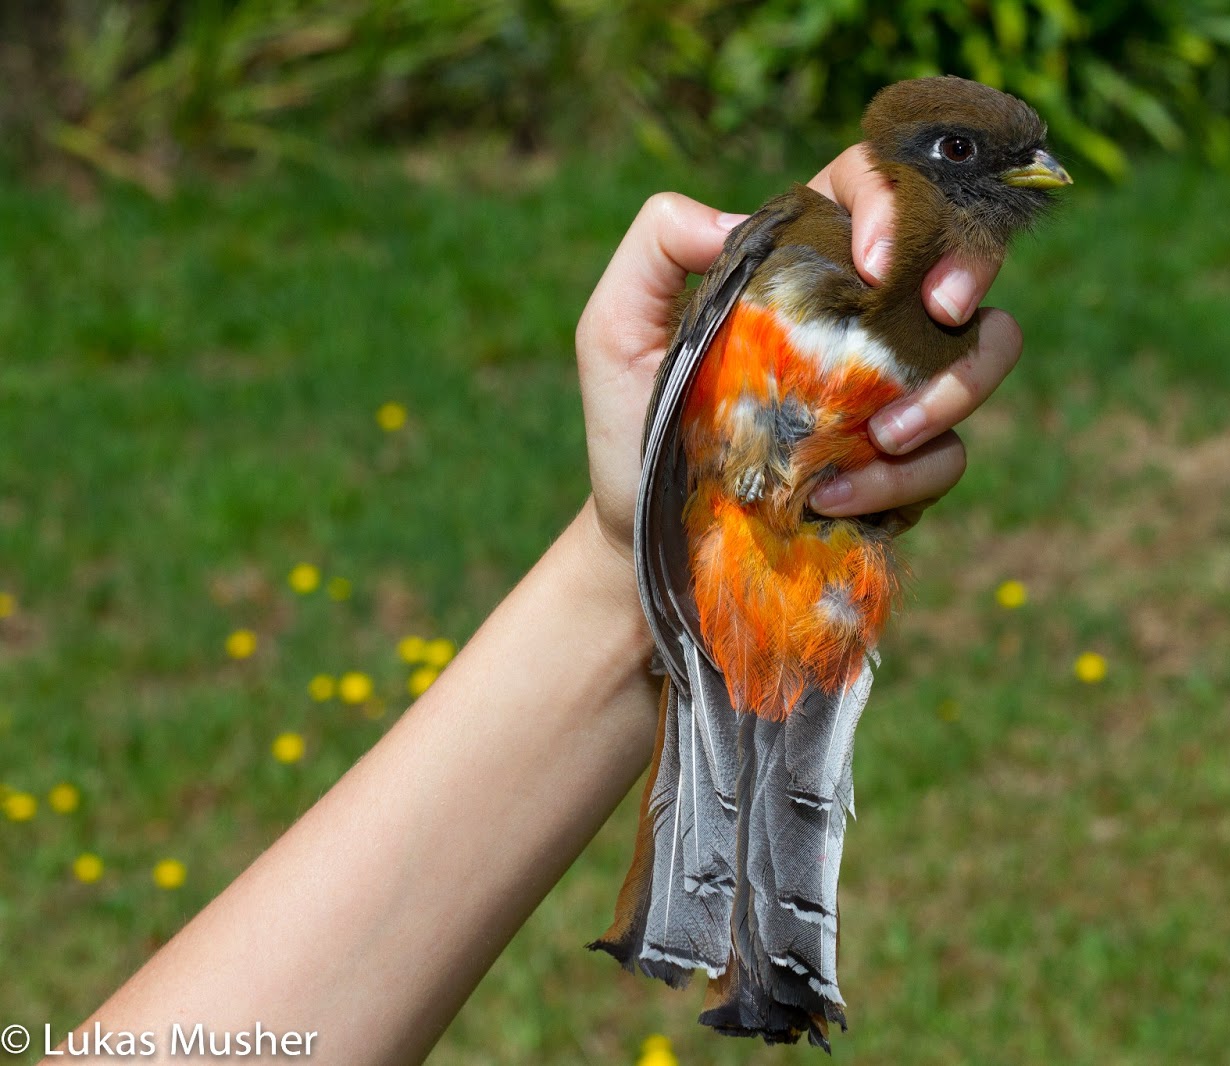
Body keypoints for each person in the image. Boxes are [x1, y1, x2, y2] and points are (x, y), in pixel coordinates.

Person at [60, 144, 1025, 1064]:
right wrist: (658, 530)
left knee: (771, 725)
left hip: (767, 545)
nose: (1030, 175)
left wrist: (630, 560)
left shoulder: (896, 276)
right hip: (730, 518)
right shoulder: (805, 232)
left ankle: (767, 937)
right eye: (971, 156)